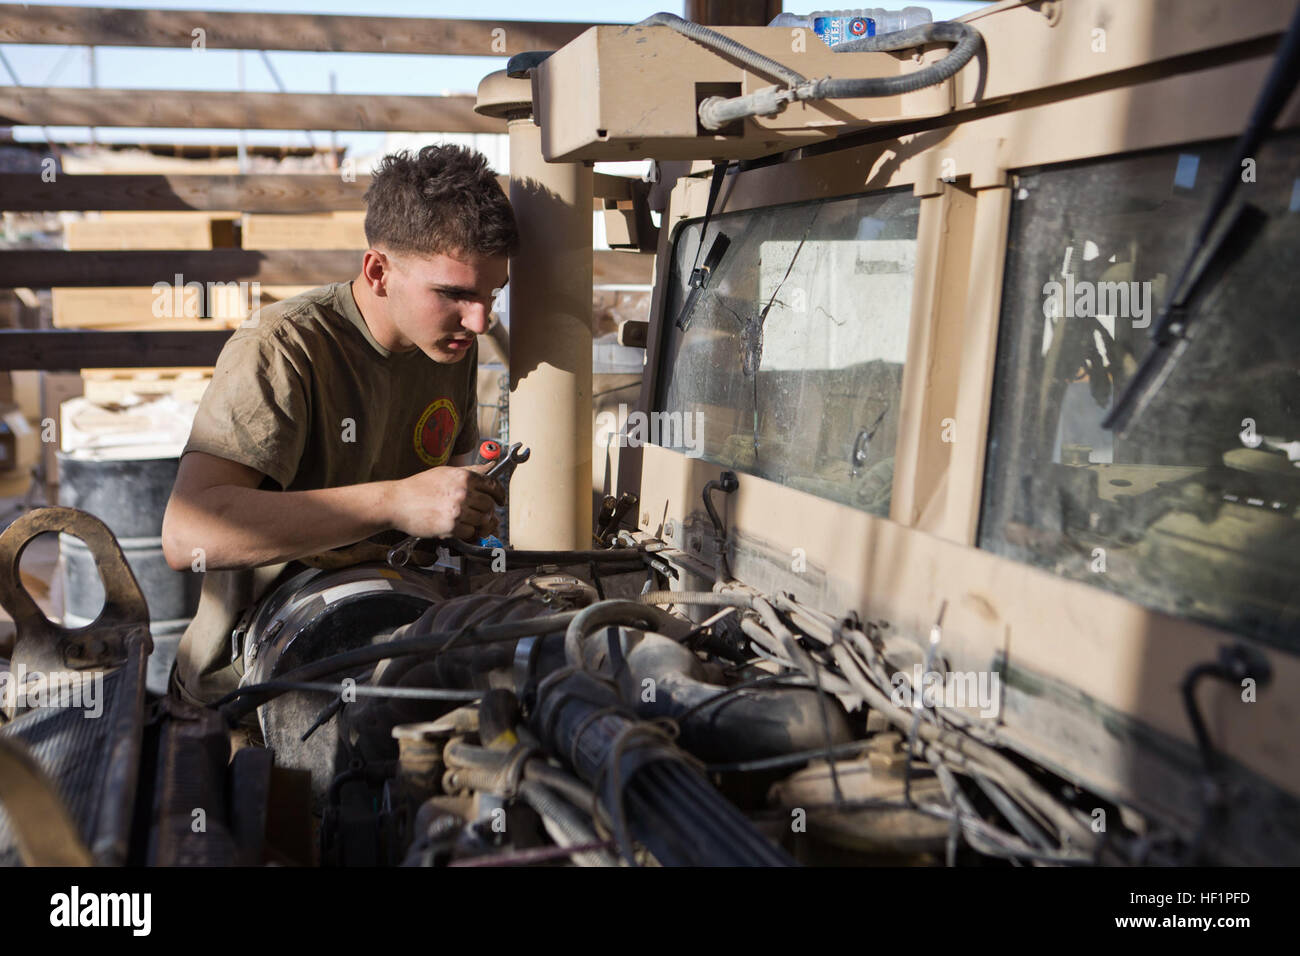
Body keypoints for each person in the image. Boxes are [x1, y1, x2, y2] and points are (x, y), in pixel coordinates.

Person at [161, 144, 516, 704]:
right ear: (378, 271)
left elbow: (441, 492)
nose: (479, 319)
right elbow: (188, 536)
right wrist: (397, 502)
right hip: (253, 684)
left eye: (491, 294)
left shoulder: (448, 342)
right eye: (454, 294)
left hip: (400, 623)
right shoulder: (282, 347)